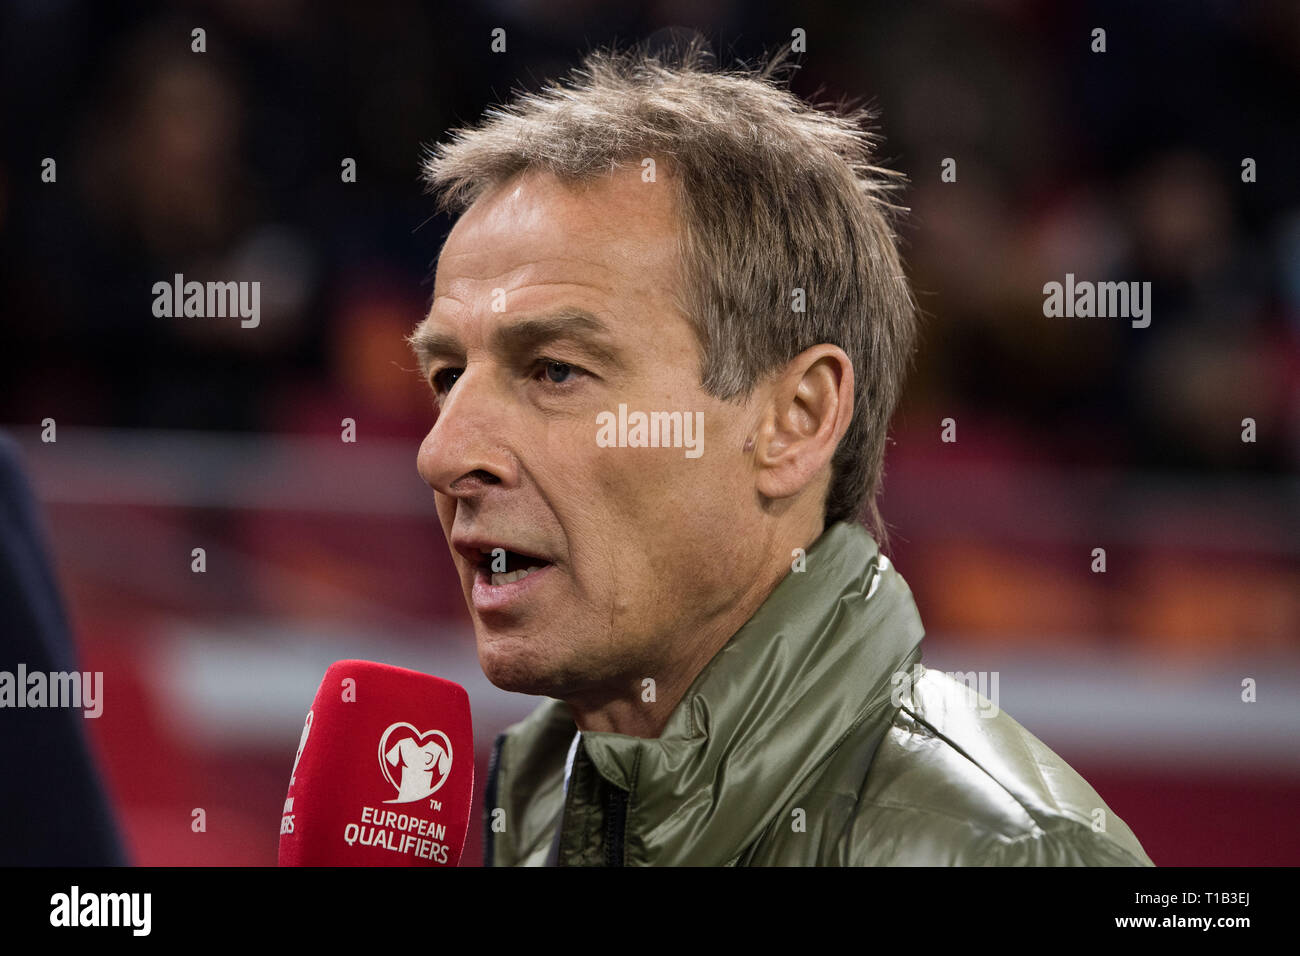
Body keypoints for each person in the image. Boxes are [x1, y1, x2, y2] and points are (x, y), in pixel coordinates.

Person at [407, 38, 1153, 866]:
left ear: (795, 421)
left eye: (555, 370)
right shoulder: (541, 804)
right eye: (446, 376)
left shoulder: (1011, 855)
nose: (443, 454)